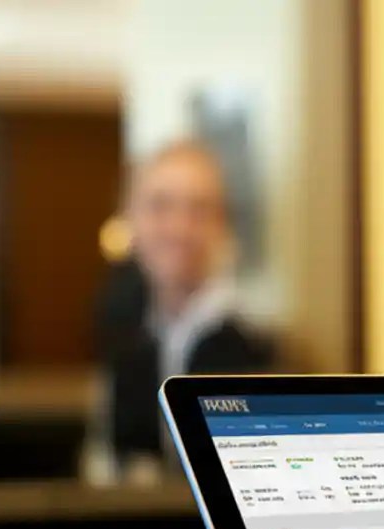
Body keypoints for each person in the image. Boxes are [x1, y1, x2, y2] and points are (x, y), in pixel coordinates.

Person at [97, 140, 273, 479]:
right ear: (129, 217)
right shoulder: (127, 330)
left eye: (199, 210)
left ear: (222, 225)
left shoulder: (254, 346)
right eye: (160, 206)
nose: (179, 228)